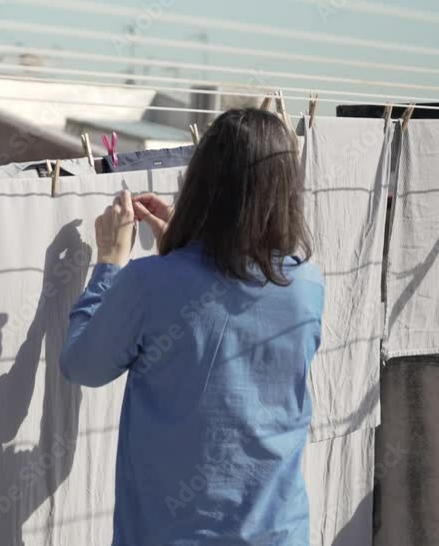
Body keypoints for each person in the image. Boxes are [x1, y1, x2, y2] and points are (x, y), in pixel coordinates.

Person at [61, 108, 324, 545]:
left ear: (203, 182)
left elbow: (83, 366)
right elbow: (224, 300)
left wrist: (109, 264)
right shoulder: (307, 285)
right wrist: (184, 244)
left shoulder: (148, 283)